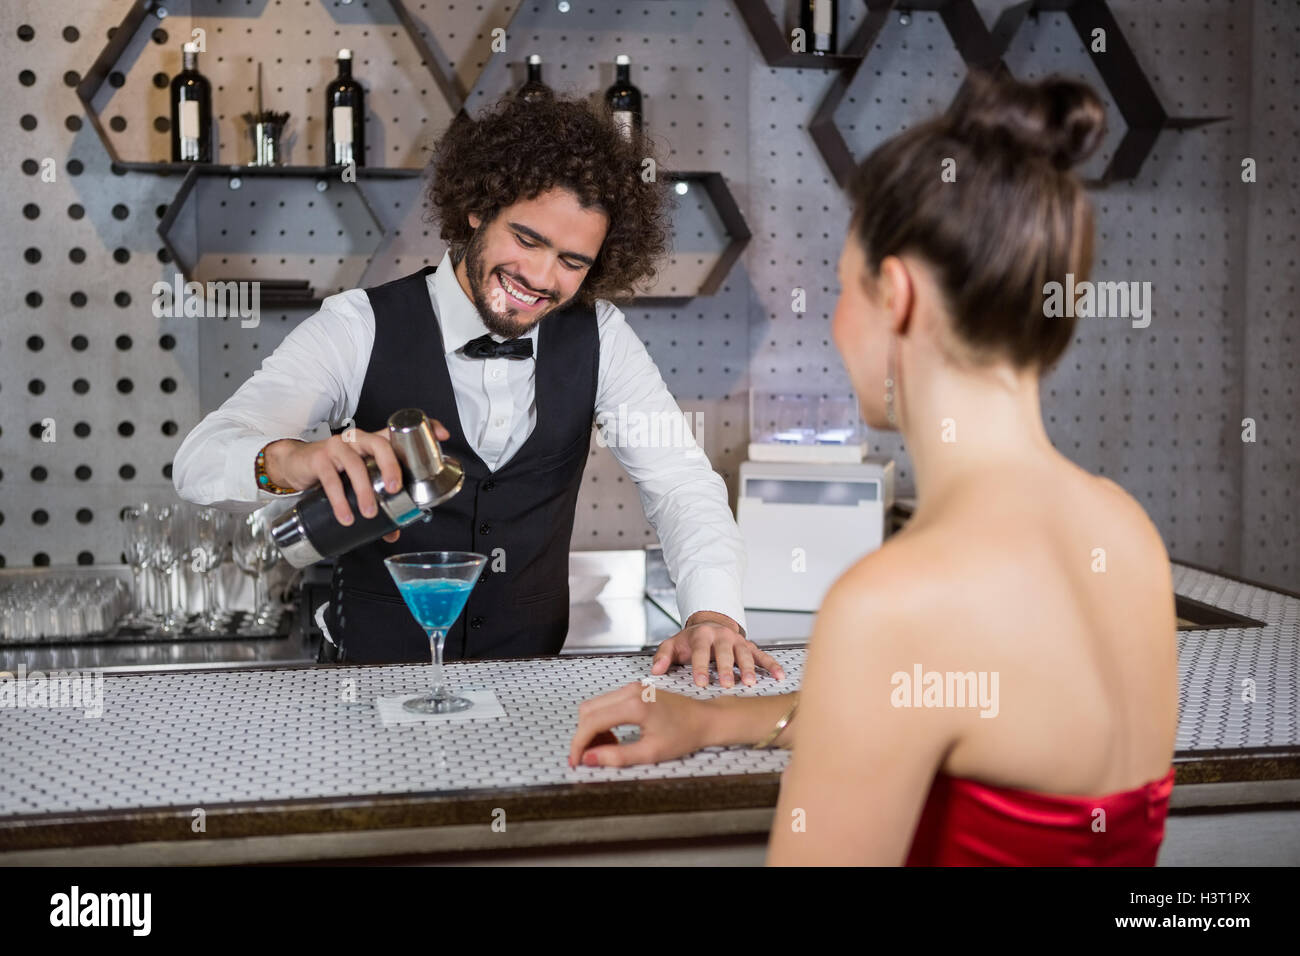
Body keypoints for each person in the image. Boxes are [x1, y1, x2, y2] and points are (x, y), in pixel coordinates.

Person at [569, 71, 1179, 866]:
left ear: (895, 298)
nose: (834, 321)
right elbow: (938, 708)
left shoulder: (894, 604)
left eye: (840, 287)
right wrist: (713, 720)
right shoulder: (1125, 535)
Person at [174, 93, 784, 683]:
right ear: (477, 208)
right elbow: (198, 461)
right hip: (368, 690)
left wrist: (712, 613)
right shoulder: (356, 326)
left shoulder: (602, 336)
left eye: (573, 262)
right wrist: (287, 459)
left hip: (530, 692)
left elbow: (679, 482)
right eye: (527, 239)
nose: (541, 279)